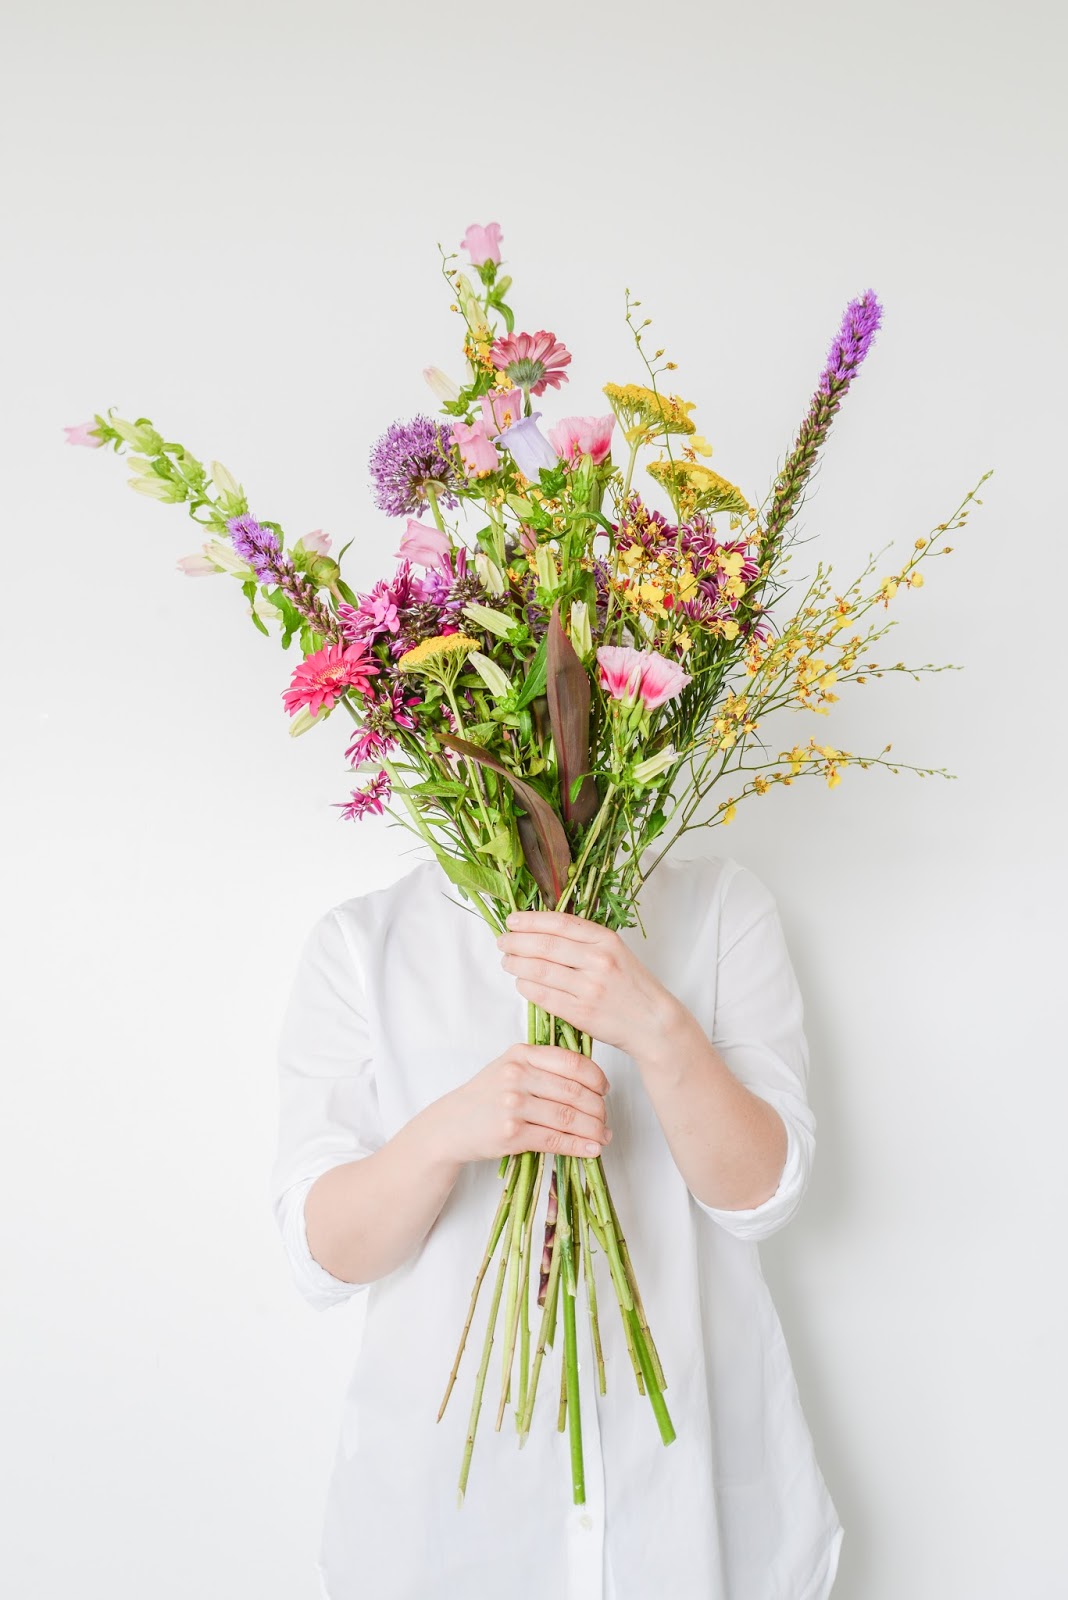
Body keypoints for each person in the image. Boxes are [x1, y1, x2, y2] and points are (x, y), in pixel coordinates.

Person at [269, 847, 844, 1600]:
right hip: (446, 1531)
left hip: (689, 1516)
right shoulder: (363, 942)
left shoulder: (719, 907)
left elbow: (763, 1194)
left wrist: (658, 1029)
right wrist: (443, 1134)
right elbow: (322, 1256)